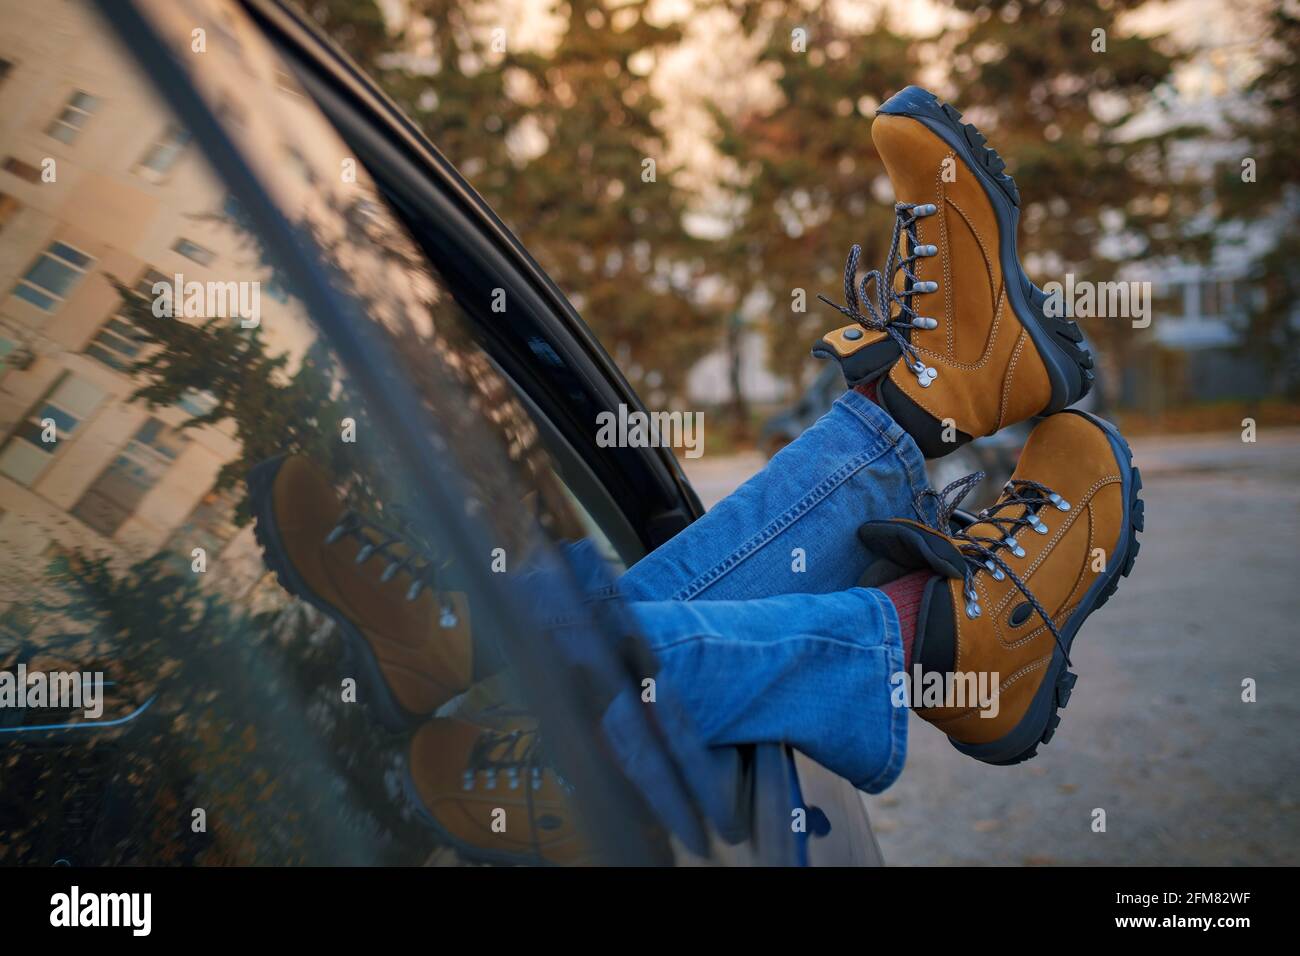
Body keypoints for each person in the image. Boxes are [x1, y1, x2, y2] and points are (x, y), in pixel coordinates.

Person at [248, 87, 1143, 865]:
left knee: (548, 677)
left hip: (455, 779)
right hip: (525, 791)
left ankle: (469, 631)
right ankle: (942, 630)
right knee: (576, 698)